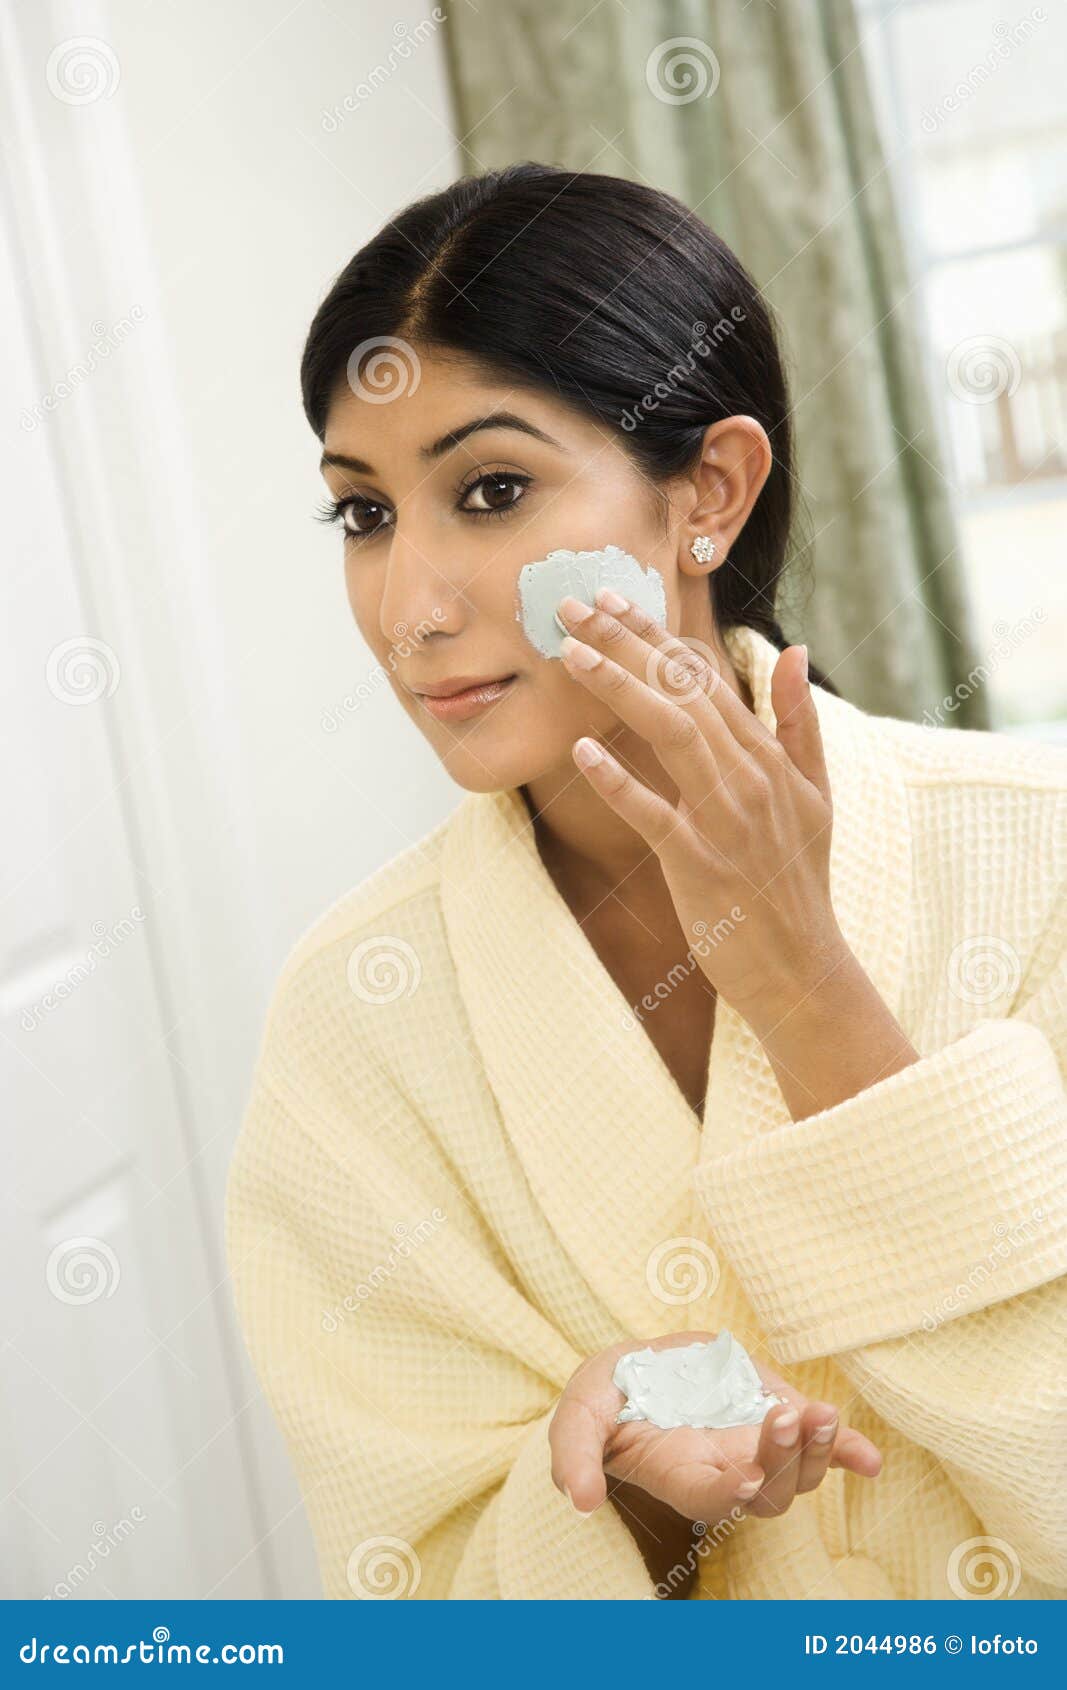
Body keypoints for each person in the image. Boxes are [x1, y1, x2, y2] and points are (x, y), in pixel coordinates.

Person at [225, 163, 1067, 1600]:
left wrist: (810, 988)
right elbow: (412, 1592)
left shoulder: (1038, 858)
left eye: (491, 490)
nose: (410, 608)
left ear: (711, 494)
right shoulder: (352, 1024)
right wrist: (621, 1497)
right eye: (364, 516)